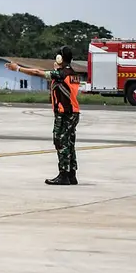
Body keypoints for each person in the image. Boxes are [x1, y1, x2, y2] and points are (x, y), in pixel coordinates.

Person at [7, 47, 81, 185]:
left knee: (60, 142)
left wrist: (17, 68)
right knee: (69, 143)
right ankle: (71, 174)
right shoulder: (73, 74)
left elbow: (36, 72)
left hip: (64, 114)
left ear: (60, 59)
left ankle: (63, 175)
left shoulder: (61, 74)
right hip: (74, 113)